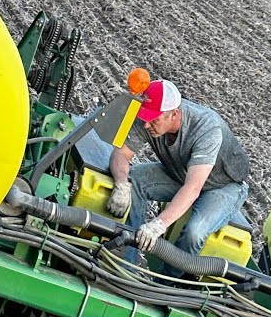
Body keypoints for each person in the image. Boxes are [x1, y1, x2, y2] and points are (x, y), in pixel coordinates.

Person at [105, 78, 250, 268]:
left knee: (194, 233)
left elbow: (193, 187)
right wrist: (121, 183)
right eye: (146, 118)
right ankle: (125, 265)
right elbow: (120, 154)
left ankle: (164, 282)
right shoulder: (147, 117)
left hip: (223, 185)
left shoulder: (207, 128)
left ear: (173, 114)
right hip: (181, 173)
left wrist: (158, 224)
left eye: (154, 119)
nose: (147, 125)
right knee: (134, 181)